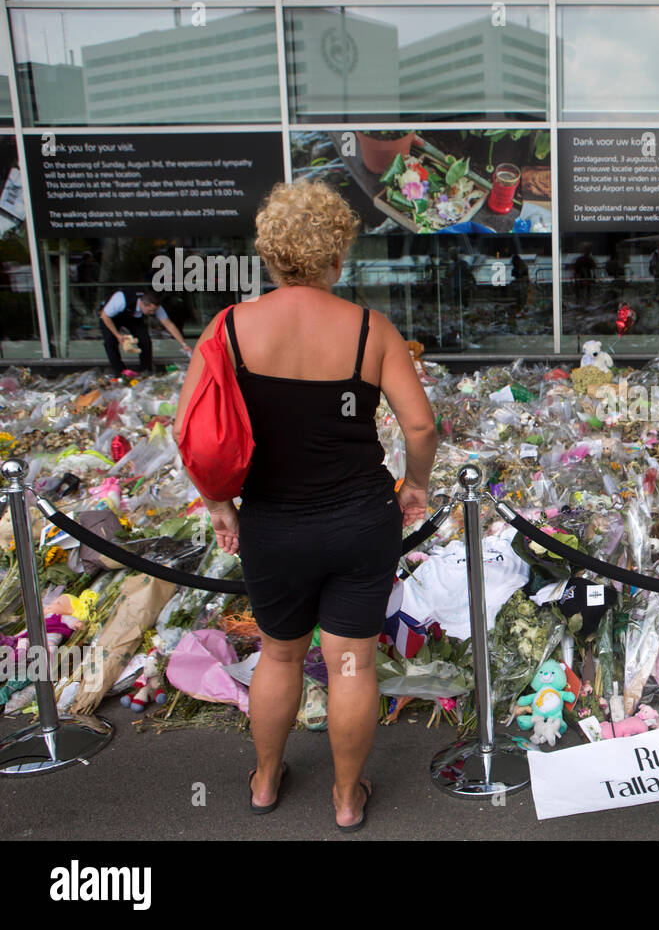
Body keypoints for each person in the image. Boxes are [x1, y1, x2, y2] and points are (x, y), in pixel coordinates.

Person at [175, 181, 439, 832]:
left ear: (270, 255)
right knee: (352, 662)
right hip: (359, 521)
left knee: (279, 654)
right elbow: (422, 428)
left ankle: (266, 780)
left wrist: (220, 503)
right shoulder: (370, 331)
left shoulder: (230, 328)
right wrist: (415, 485)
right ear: (337, 257)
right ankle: (348, 799)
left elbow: (192, 428)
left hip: (273, 522)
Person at [100, 287, 190, 377]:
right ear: (142, 304)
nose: (152, 313)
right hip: (110, 317)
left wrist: (183, 344)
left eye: (154, 311)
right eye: (150, 310)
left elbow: (168, 324)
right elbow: (104, 316)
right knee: (110, 341)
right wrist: (117, 335)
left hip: (133, 317)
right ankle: (120, 372)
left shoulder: (154, 305)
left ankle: (145, 370)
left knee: (145, 340)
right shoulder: (120, 300)